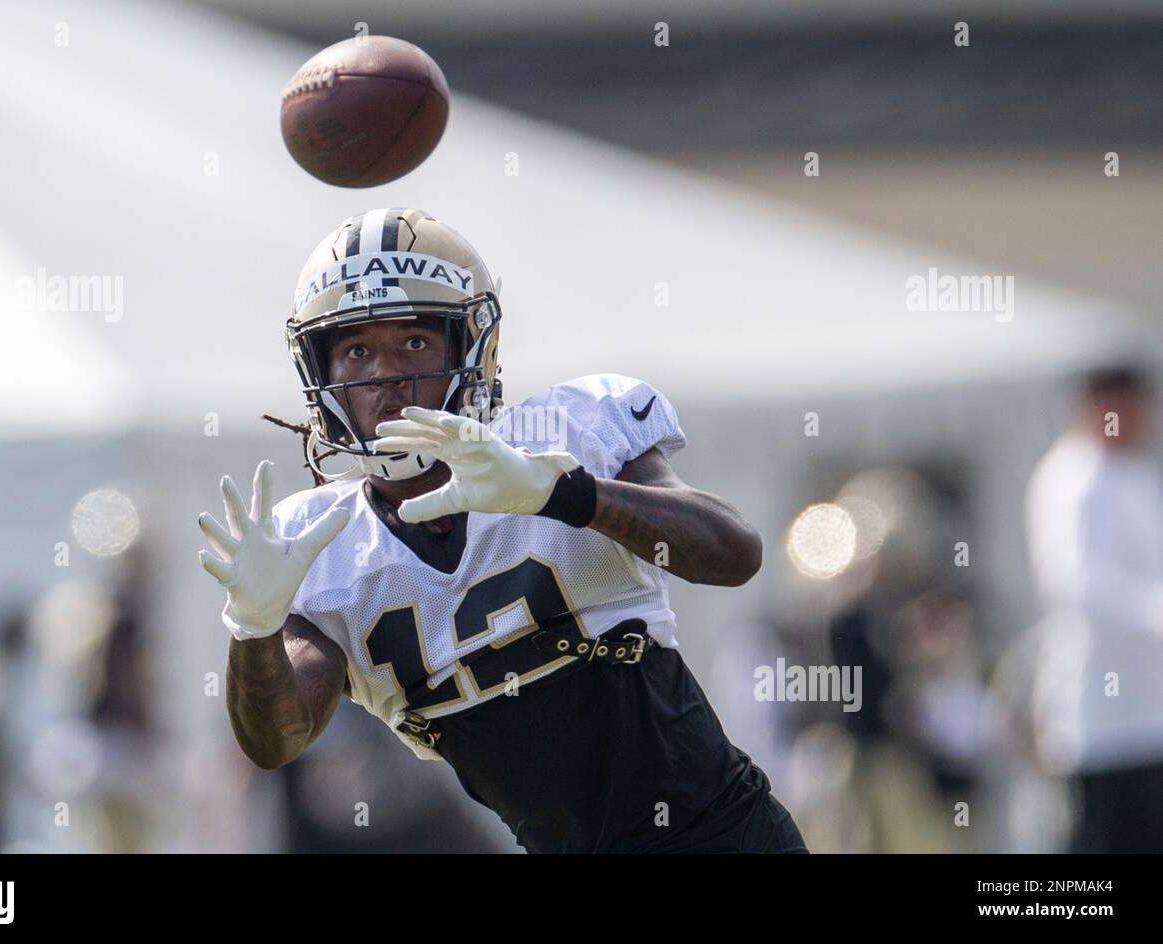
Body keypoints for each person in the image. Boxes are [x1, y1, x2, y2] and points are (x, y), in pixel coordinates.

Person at [197, 207, 806, 853]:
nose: (385, 375)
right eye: (355, 350)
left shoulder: (564, 436)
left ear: (473, 346)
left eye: (413, 342)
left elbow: (733, 554)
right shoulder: (318, 541)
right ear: (322, 374)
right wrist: (254, 628)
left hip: (725, 836)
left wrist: (562, 492)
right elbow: (275, 739)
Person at [1025, 365, 1163, 853]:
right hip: (1100, 714)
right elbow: (1075, 582)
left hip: (1151, 711)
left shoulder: (1138, 473)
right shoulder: (1073, 479)